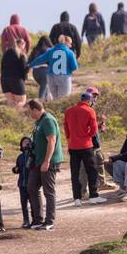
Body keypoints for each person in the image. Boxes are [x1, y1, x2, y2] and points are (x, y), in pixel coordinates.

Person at [25, 98, 64, 230]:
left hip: (49, 162)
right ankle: (37, 220)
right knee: (31, 187)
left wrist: (47, 161)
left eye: (30, 111)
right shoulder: (39, 121)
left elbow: (52, 141)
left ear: (35, 109)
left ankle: (49, 221)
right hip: (38, 161)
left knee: (49, 191)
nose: (30, 114)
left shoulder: (48, 120)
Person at [63, 90, 105, 205]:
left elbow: (65, 126)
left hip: (73, 146)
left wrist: (69, 138)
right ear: (88, 101)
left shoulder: (69, 110)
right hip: (86, 145)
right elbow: (94, 129)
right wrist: (88, 136)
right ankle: (93, 196)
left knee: (75, 173)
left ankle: (77, 198)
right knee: (91, 171)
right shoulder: (90, 111)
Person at [29, 35, 78, 99]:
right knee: (63, 99)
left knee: (55, 99)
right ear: (66, 43)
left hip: (51, 77)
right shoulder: (69, 52)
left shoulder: (50, 51)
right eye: (70, 44)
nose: (70, 46)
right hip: (64, 77)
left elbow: (40, 59)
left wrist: (31, 65)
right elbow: (74, 67)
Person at [0, 13, 31, 108]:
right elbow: (28, 41)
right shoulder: (23, 29)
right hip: (16, 79)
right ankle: (18, 120)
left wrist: (5, 52)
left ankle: (11, 119)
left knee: (11, 102)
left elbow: (3, 42)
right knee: (22, 101)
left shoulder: (7, 29)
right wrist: (26, 51)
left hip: (4, 79)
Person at [13, 136, 35, 228]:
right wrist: (15, 169)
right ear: (21, 145)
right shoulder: (20, 157)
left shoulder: (33, 155)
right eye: (24, 142)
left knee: (33, 202)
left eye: (28, 142)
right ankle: (26, 220)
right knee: (23, 203)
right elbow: (17, 168)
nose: (26, 143)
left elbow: (33, 167)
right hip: (22, 184)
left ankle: (35, 220)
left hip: (32, 183)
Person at [27, 36, 53, 100]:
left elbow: (29, 62)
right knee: (43, 89)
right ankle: (40, 102)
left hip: (35, 73)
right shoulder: (50, 50)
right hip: (45, 72)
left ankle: (46, 101)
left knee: (45, 87)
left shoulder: (35, 49)